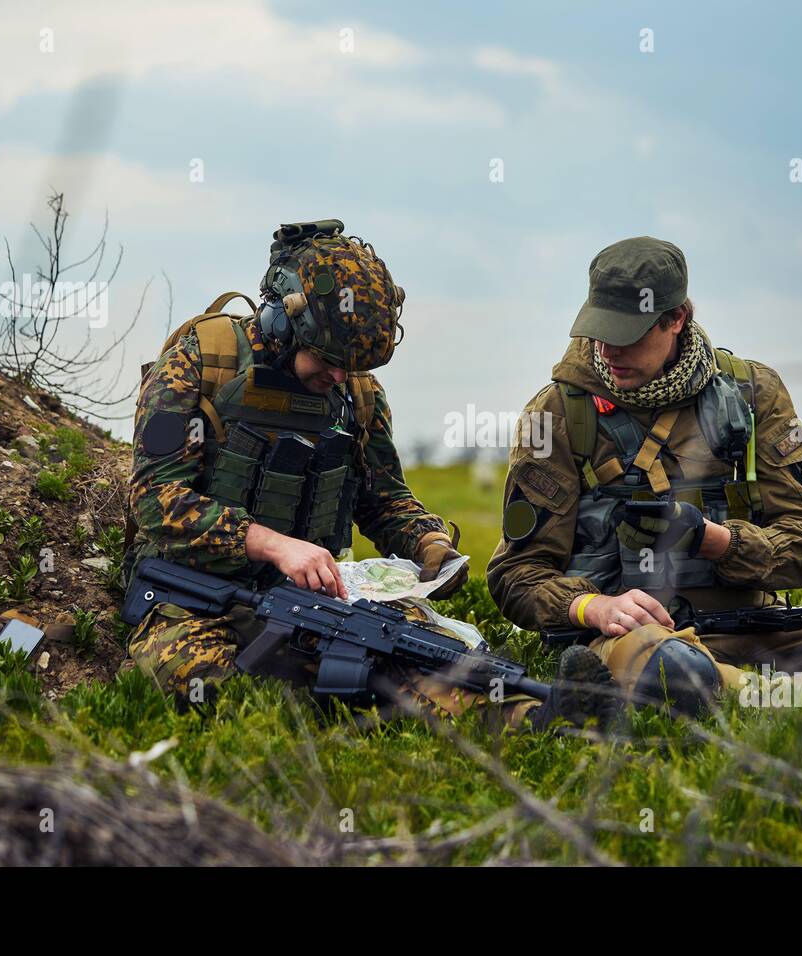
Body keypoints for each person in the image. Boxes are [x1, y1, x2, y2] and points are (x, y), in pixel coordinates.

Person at [122, 220, 615, 729]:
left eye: (352, 365)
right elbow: (156, 500)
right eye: (330, 360)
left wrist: (429, 543)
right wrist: (273, 545)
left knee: (420, 655)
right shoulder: (201, 364)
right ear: (281, 322)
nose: (340, 376)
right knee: (224, 691)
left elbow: (382, 499)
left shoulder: (358, 395)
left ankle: (542, 715)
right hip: (193, 598)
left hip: (317, 601)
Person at [487, 236, 802, 714]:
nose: (610, 351)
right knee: (659, 663)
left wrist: (713, 541)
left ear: (677, 319)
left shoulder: (752, 394)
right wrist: (592, 607)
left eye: (629, 334)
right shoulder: (556, 414)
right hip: (633, 642)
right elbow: (516, 576)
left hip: (760, 628)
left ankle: (791, 692)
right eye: (600, 331)